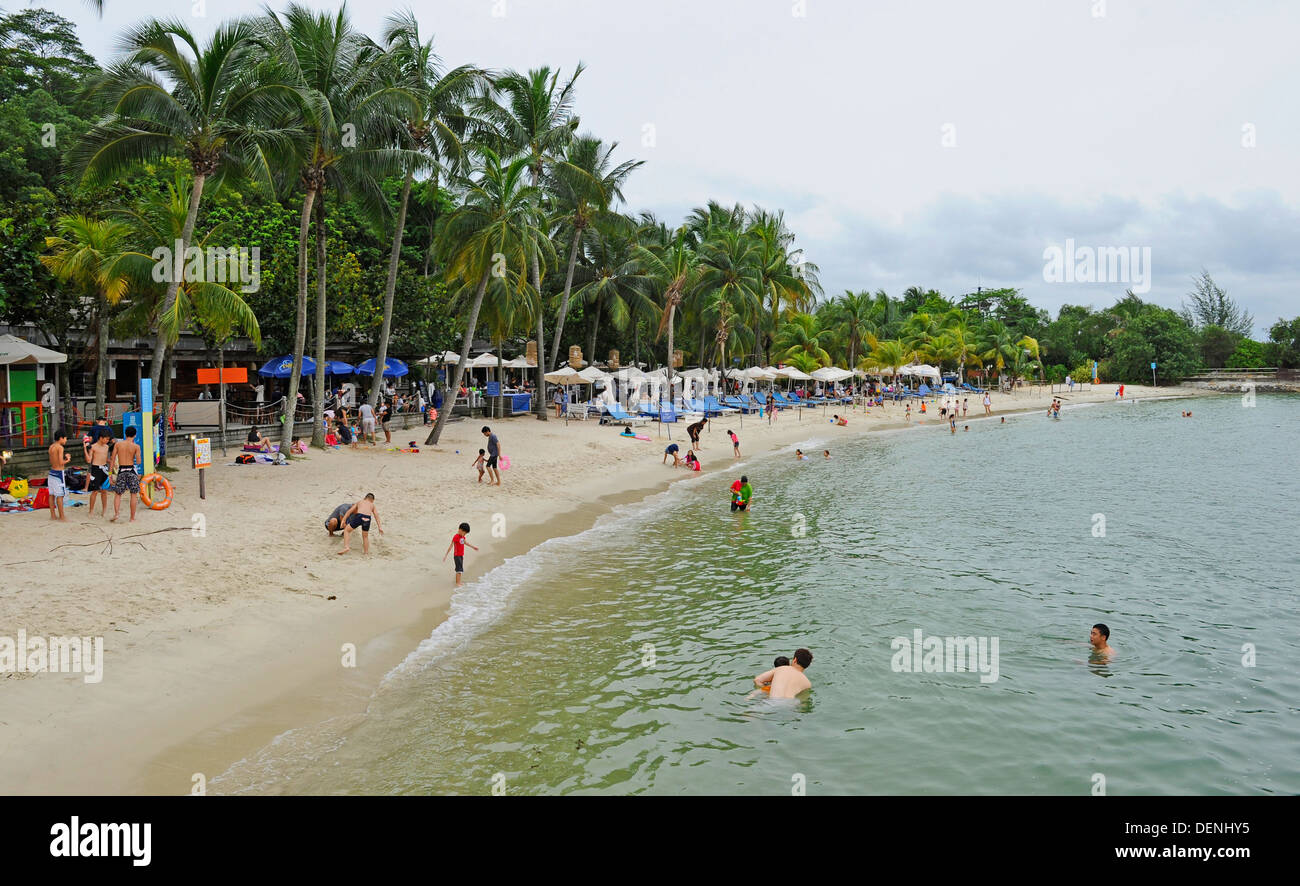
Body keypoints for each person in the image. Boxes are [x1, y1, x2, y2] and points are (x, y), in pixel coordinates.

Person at [110, 426, 142, 523]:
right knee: (133, 494)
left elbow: (112, 459)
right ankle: (132, 518)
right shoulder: (136, 446)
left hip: (122, 470)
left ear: (125, 434)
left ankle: (116, 514)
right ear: (135, 435)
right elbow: (139, 461)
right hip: (131, 470)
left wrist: (110, 473)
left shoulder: (118, 445)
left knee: (118, 494)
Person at [87, 428, 112, 517]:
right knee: (94, 491)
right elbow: (89, 460)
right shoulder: (93, 447)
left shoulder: (107, 447)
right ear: (101, 438)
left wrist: (111, 462)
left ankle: (104, 510)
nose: (107, 441)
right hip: (95, 468)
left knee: (104, 491)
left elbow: (105, 458)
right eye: (106, 439)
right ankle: (91, 510)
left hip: (104, 469)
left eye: (108, 439)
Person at [47, 429, 71, 522]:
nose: (66, 440)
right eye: (65, 438)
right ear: (61, 438)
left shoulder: (51, 446)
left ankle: (53, 515)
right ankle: (62, 516)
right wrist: (68, 459)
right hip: (58, 473)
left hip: (52, 472)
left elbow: (53, 460)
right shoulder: (60, 447)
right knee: (60, 495)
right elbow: (61, 462)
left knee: (51, 495)